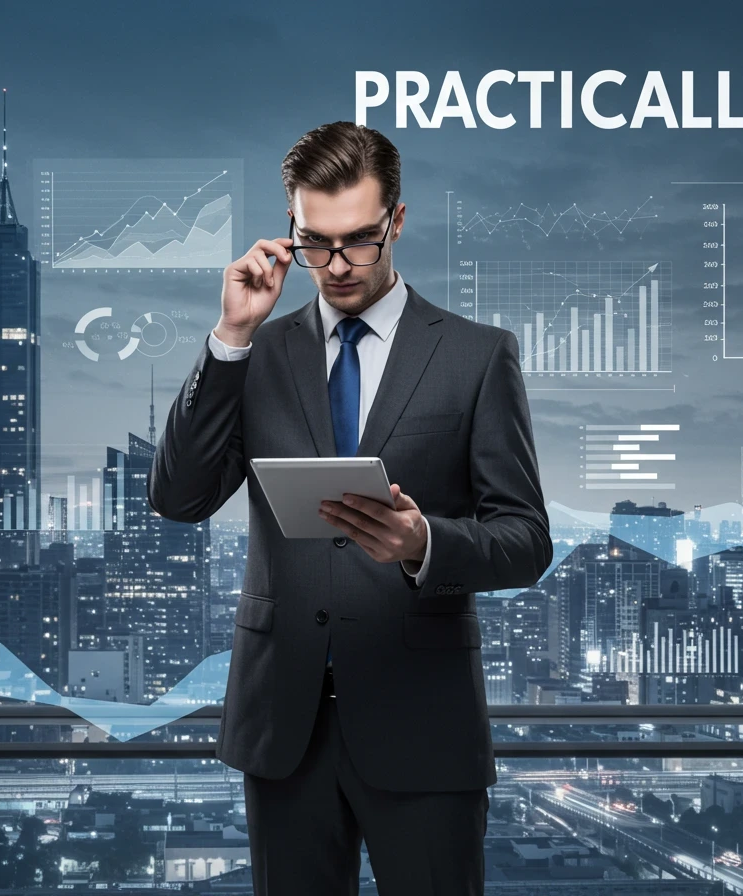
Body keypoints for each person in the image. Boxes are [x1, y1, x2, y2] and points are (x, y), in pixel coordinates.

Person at [147, 120, 552, 895]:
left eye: (359, 241)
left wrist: (422, 542)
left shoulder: (476, 355)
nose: (334, 266)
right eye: (314, 243)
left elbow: (527, 539)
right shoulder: (257, 354)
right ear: (291, 230)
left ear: (397, 220)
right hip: (283, 727)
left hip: (423, 724)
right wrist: (231, 335)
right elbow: (180, 497)